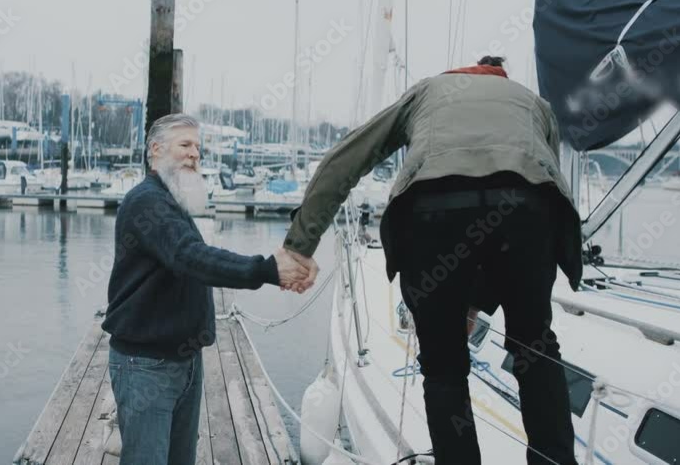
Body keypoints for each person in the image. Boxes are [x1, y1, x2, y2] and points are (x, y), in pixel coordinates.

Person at [283, 57, 582, 465]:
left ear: (456, 76)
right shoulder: (533, 103)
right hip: (527, 210)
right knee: (535, 350)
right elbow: (527, 183)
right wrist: (477, 297)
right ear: (502, 79)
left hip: (434, 211)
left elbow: (346, 159)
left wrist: (299, 245)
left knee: (444, 367)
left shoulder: (426, 92)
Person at [102, 113, 316, 465]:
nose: (195, 154)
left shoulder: (171, 202)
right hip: (145, 366)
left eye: (198, 147)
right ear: (155, 150)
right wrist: (267, 269)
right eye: (185, 145)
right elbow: (190, 256)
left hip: (183, 362)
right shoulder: (147, 202)